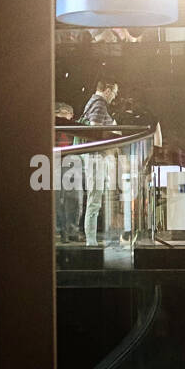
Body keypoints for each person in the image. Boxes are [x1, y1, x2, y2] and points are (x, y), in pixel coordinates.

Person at [80, 78, 118, 245]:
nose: (114, 97)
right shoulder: (100, 103)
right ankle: (91, 242)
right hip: (95, 157)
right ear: (108, 90)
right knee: (95, 199)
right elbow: (95, 131)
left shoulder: (92, 102)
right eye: (114, 93)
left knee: (94, 198)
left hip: (94, 157)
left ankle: (91, 239)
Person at [55, 101, 83, 242]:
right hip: (56, 164)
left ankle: (72, 230)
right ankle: (61, 232)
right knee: (58, 200)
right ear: (57, 114)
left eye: (71, 114)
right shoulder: (54, 129)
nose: (70, 117)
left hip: (71, 164)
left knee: (74, 199)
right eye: (67, 113)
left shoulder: (73, 129)